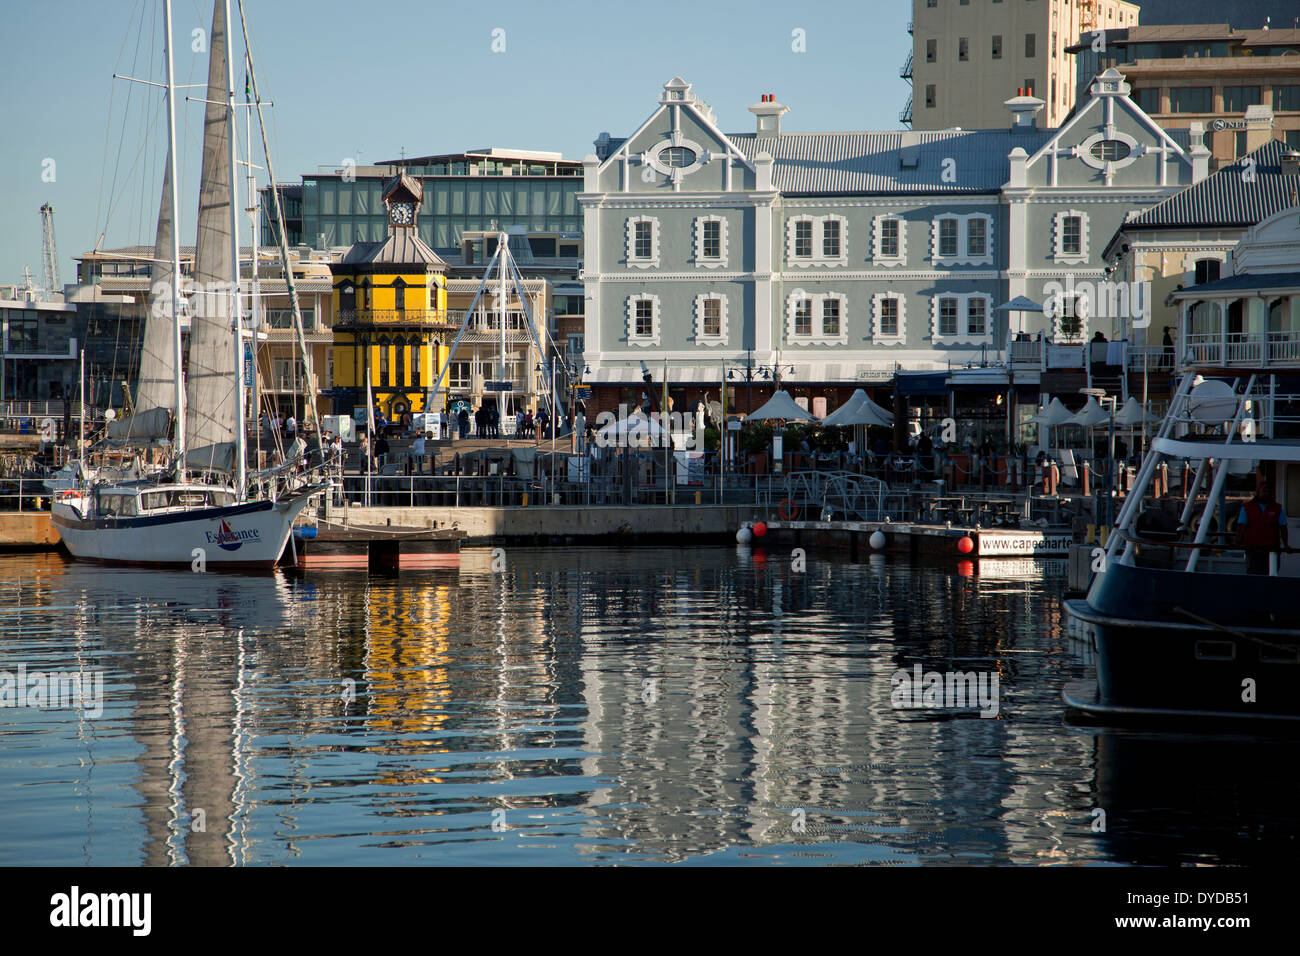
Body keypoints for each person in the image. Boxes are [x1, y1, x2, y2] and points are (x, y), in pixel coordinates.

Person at [1236, 479, 1287, 575]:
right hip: (1253, 549)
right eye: (1264, 491)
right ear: (1258, 492)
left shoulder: (1277, 508)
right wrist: (1237, 541)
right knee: (1253, 574)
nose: (1266, 494)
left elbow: (1283, 527)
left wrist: (1286, 544)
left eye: (1268, 491)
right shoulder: (1247, 507)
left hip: (1272, 549)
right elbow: (1241, 526)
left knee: (1271, 573)